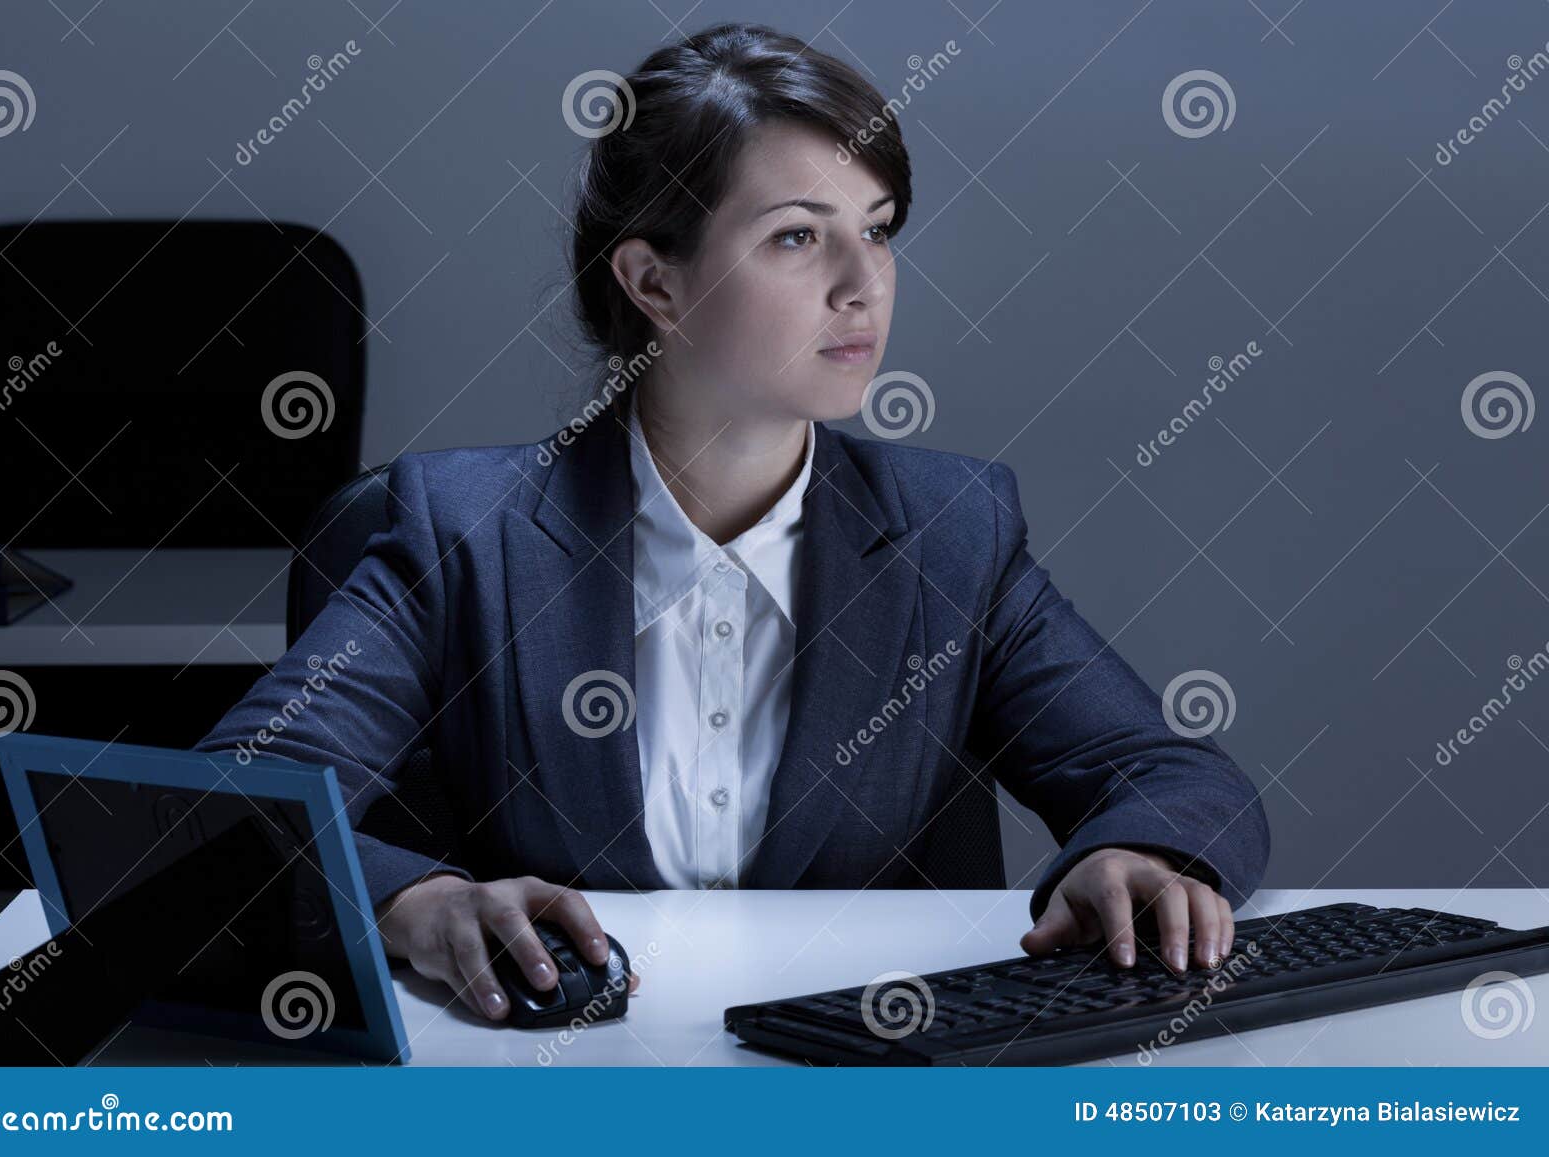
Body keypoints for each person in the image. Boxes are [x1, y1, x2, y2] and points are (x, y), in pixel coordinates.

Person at [197, 22, 1269, 1024]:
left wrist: (1141, 853)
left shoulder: (950, 532)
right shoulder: (465, 527)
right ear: (655, 282)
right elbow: (233, 798)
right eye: (799, 237)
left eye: (878, 232)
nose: (864, 286)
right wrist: (414, 901)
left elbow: (1171, 775)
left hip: (863, 1081)